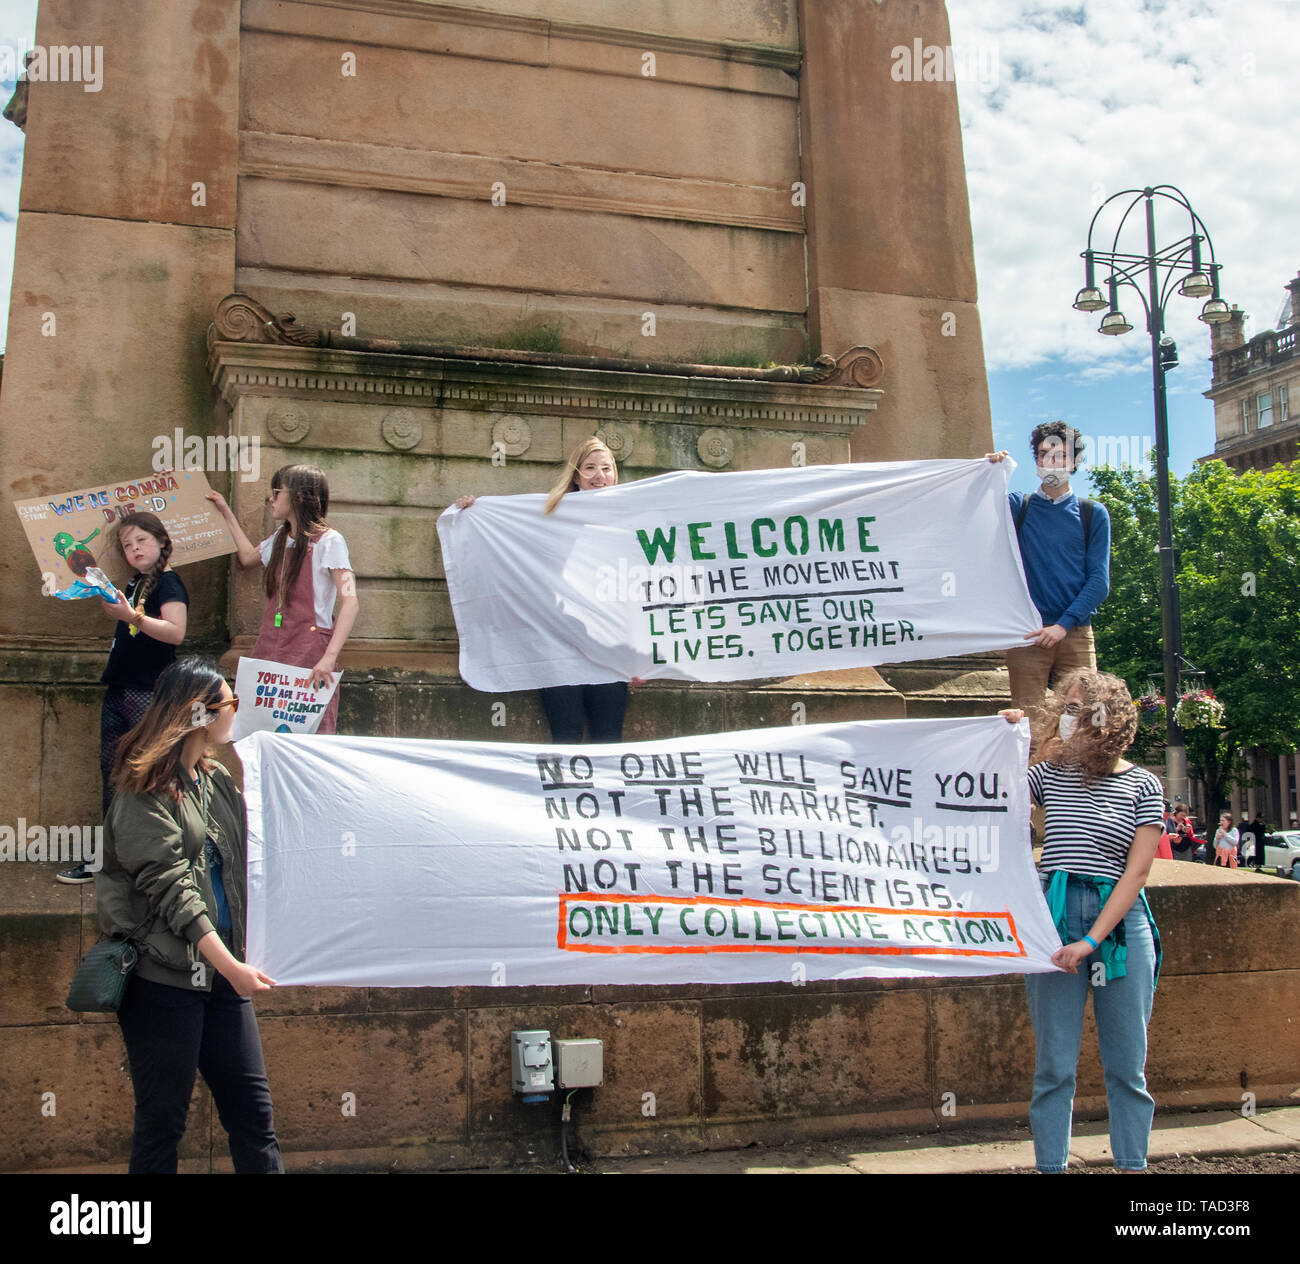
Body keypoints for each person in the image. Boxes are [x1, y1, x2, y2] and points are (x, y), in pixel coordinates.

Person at [94, 657, 282, 1173]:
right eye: (230, 703)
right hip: (163, 979)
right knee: (163, 1122)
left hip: (223, 978)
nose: (236, 712)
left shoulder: (215, 779)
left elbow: (259, 847)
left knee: (253, 1119)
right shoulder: (143, 788)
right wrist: (232, 967)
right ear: (199, 713)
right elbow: (174, 890)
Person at [1001, 668, 1162, 1173]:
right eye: (1063, 709)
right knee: (1053, 1068)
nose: (1066, 720)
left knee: (1126, 1068)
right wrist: (1007, 736)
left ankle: (1132, 1166)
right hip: (1054, 919)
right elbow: (991, 791)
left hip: (1120, 928)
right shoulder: (1049, 774)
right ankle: (1051, 1166)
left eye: (1076, 710)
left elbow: (1135, 874)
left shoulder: (1144, 784)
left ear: (1106, 720)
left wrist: (1091, 940)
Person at [455, 436, 635, 743]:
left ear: (615, 474)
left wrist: (640, 653)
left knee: (609, 737)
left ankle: (610, 792)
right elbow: (510, 533)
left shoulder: (629, 518)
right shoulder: (552, 515)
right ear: (576, 475)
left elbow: (639, 588)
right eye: (590, 468)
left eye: (606, 468)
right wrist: (475, 512)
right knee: (565, 736)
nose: (599, 476)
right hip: (558, 643)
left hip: (610, 647)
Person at [59, 513, 189, 884]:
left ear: (162, 542)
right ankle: (109, 859)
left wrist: (132, 614)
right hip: (120, 688)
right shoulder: (135, 582)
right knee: (113, 774)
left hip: (148, 693)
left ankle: (155, 862)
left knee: (148, 774)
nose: (134, 549)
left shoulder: (169, 582)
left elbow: (176, 631)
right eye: (127, 545)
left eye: (141, 541)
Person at [988, 423, 1111, 755]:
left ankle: (1081, 801)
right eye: (1044, 455)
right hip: (1026, 635)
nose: (1050, 462)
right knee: (1027, 729)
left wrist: (1063, 625)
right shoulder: (1019, 506)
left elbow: (1099, 583)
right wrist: (989, 471)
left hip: (1075, 633)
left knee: (1085, 724)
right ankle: (1033, 806)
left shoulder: (1092, 514)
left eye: (1059, 455)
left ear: (1073, 462)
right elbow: (975, 507)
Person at [208, 465, 357, 734]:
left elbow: (350, 601)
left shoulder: (329, 541)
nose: (271, 499)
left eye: (277, 492)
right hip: (272, 645)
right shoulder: (279, 538)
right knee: (264, 728)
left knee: (309, 731)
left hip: (310, 651)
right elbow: (247, 558)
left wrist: (328, 657)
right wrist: (225, 512)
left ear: (299, 497)